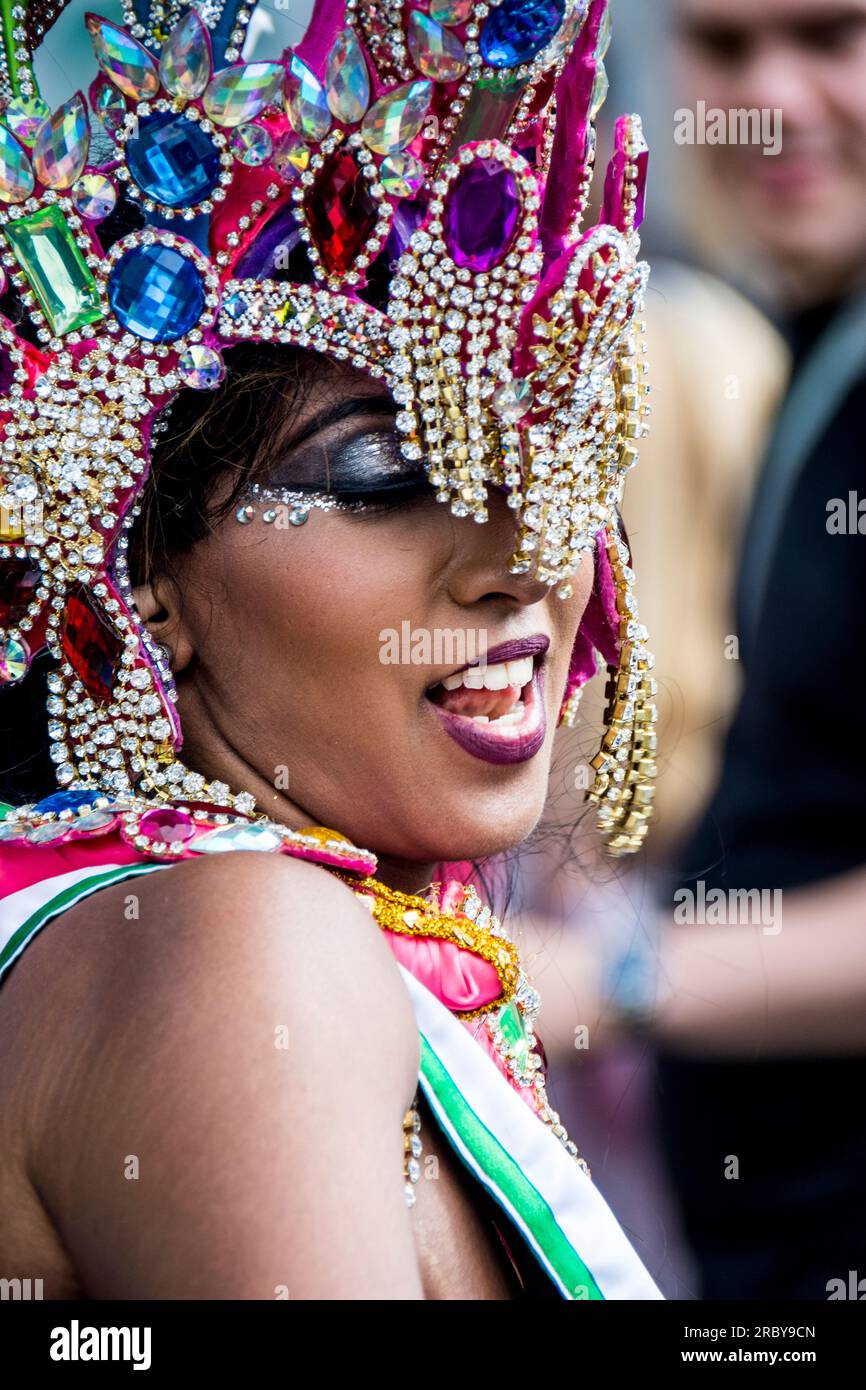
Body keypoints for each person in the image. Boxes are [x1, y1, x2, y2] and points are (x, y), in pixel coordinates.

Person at [0, 0, 663, 1299]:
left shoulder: (196, 934)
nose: (521, 556)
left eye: (546, 454)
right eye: (382, 474)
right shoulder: (240, 942)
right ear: (151, 583)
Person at [533, 0, 866, 1302]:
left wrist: (613, 976)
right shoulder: (803, 353)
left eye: (828, 35)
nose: (771, 98)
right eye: (724, 49)